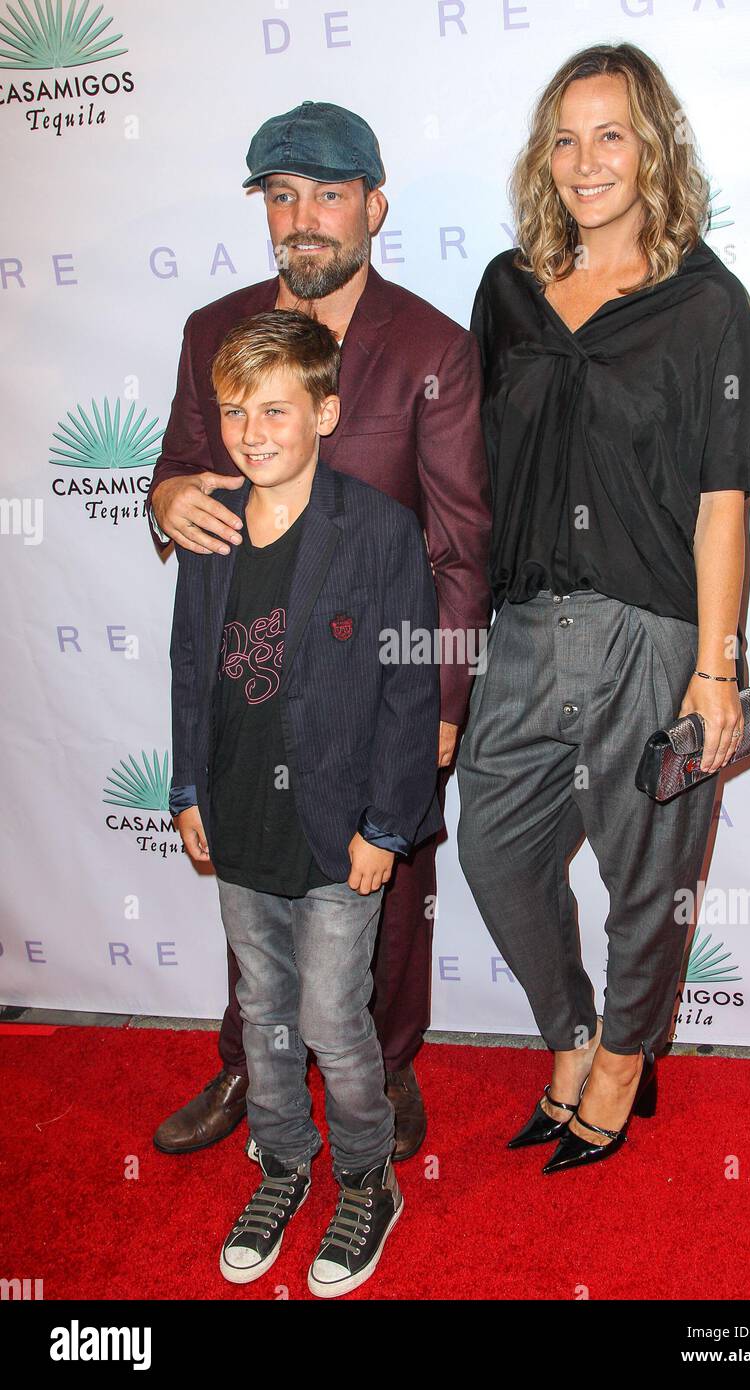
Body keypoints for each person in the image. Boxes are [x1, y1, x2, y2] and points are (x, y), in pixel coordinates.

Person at [149, 101, 491, 1162]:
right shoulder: (213, 330)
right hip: (249, 672)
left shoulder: (432, 347)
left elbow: (461, 543)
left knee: (383, 880)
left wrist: (442, 701)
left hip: (379, 682)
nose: (301, 218)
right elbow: (179, 468)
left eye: (328, 195)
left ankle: (383, 1065)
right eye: (281, 195)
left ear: (373, 207)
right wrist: (165, 499)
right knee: (253, 876)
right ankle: (252, 1064)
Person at [456, 43, 750, 1173]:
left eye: (612, 135)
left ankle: (625, 1059)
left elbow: (721, 503)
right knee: (493, 849)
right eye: (565, 138)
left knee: (647, 876)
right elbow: (467, 466)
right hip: (525, 627)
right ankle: (572, 1030)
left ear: (653, 151)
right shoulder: (506, 291)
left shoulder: (706, 305)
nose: (586, 161)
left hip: (651, 632)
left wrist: (715, 672)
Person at [170, 308, 442, 1295]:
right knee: (264, 1014)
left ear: (325, 411)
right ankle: (283, 1163)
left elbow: (410, 689)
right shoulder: (210, 526)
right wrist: (189, 788)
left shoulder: (379, 529)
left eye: (275, 409)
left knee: (331, 1017)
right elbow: (190, 663)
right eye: (235, 411)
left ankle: (366, 1179)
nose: (252, 433)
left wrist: (387, 826)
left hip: (340, 830)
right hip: (240, 816)